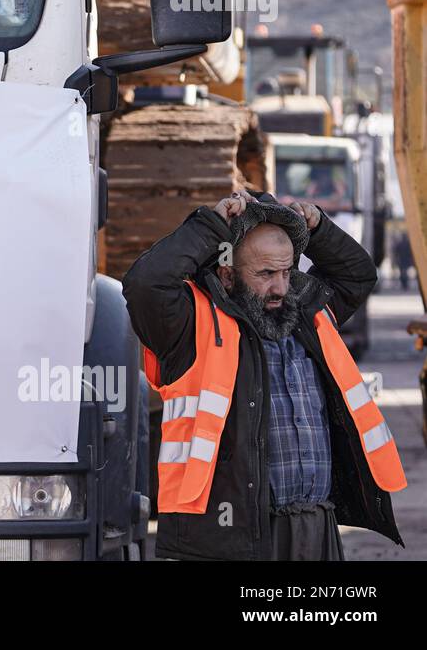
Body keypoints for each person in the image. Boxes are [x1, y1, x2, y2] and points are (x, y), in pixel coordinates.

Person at [122, 189, 406, 560]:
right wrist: (212, 225)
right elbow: (146, 284)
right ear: (226, 274)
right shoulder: (190, 326)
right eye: (266, 273)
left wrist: (317, 228)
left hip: (315, 525)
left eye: (288, 271)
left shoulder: (307, 315)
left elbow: (357, 275)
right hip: (231, 535)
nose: (280, 288)